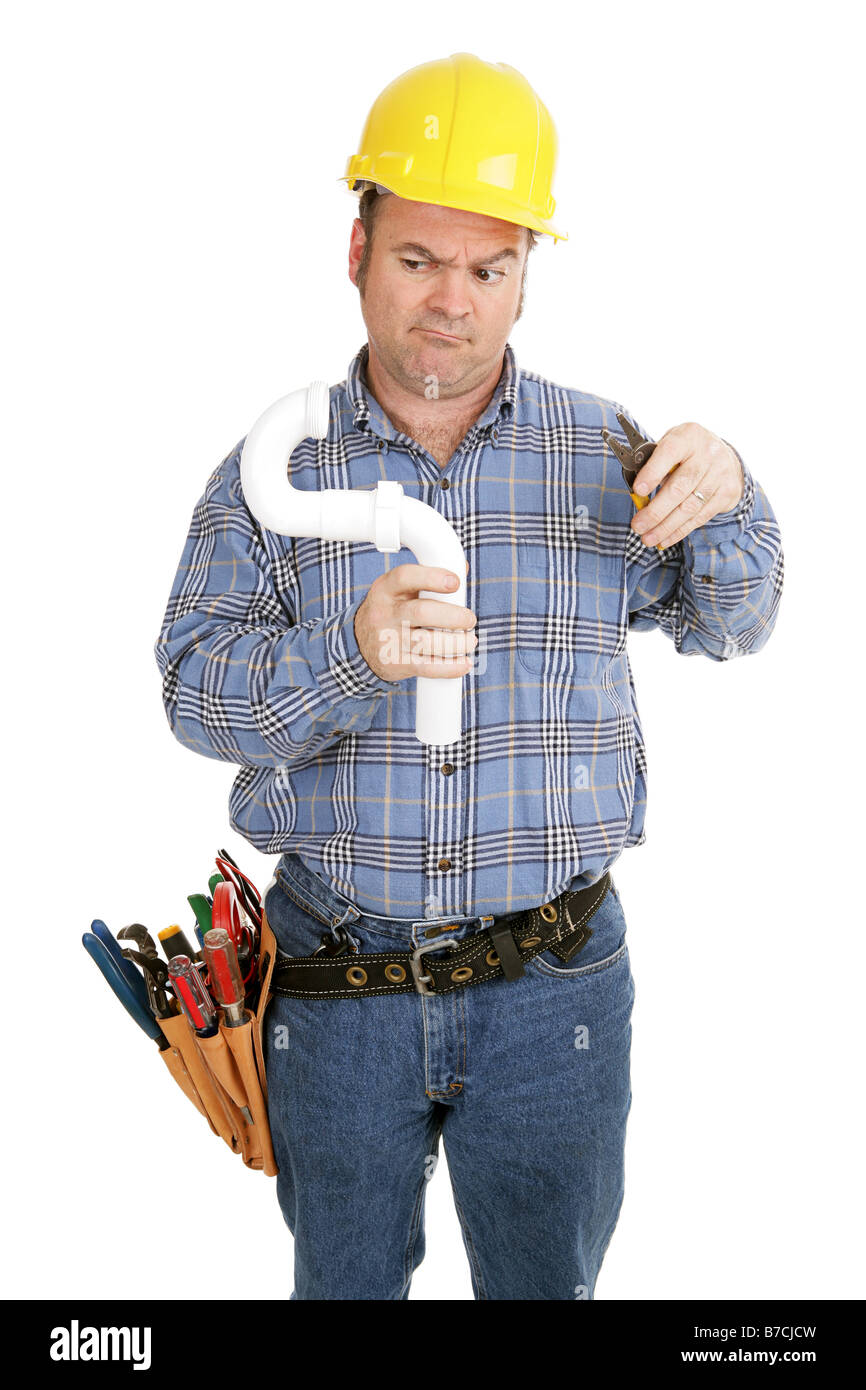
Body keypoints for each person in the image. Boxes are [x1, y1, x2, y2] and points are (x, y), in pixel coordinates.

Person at [154, 53, 784, 1300]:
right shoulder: (275, 468)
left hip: (553, 995)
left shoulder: (604, 448)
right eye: (417, 260)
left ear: (523, 277)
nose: (451, 302)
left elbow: (736, 618)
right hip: (336, 989)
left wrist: (728, 494)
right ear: (355, 250)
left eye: (488, 269)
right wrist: (349, 658)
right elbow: (191, 691)